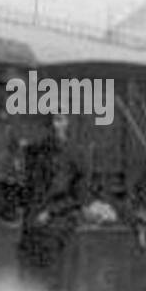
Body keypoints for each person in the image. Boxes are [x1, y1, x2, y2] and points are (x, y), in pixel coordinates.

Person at [18, 114, 87, 272]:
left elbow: (78, 197)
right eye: (53, 121)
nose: (56, 126)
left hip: (60, 216)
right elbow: (31, 187)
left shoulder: (76, 155)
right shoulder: (37, 152)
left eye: (59, 120)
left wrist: (50, 212)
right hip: (36, 215)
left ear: (67, 123)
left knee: (50, 240)